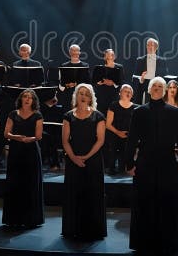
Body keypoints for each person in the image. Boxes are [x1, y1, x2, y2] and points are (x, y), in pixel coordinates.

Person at [125, 77, 178, 252]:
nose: (157, 88)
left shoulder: (174, 111)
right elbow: (131, 140)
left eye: (161, 86)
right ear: (149, 89)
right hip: (144, 162)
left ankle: (168, 240)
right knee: (145, 201)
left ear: (165, 90)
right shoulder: (139, 111)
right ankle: (144, 241)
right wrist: (129, 163)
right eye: (154, 86)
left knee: (168, 201)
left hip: (168, 161)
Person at [61, 83, 106, 240]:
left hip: (92, 160)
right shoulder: (68, 116)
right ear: (76, 96)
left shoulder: (98, 116)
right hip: (73, 160)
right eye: (81, 93)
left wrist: (85, 157)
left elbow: (100, 140)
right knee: (74, 194)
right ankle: (72, 229)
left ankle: (94, 229)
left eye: (86, 94)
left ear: (90, 97)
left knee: (92, 194)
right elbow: (65, 141)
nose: (83, 96)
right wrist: (74, 158)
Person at [3, 89, 44, 228]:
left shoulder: (37, 115)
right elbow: (6, 133)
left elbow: (39, 136)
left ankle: (31, 218)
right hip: (16, 150)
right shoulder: (13, 114)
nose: (27, 99)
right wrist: (17, 137)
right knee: (15, 182)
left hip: (31, 150)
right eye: (25, 96)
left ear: (34, 101)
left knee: (30, 183)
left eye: (30, 97)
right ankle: (14, 218)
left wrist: (29, 139)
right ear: (21, 99)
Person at [105, 84, 137, 175]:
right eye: (125, 91)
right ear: (120, 93)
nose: (128, 93)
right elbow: (108, 124)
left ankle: (123, 169)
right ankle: (111, 168)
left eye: (129, 91)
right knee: (112, 152)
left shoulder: (136, 108)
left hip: (128, 136)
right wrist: (118, 132)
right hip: (114, 133)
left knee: (124, 161)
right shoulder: (114, 105)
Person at [57, 44, 90, 116]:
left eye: (76, 51)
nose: (74, 53)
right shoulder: (64, 66)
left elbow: (88, 82)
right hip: (68, 95)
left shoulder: (85, 66)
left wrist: (78, 85)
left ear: (79, 52)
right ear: (69, 52)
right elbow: (61, 82)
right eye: (72, 51)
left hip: (81, 95)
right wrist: (67, 85)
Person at [134, 38, 168, 104]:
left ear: (156, 47)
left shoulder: (162, 61)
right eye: (148, 45)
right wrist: (141, 79)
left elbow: (165, 75)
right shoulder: (140, 60)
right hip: (143, 86)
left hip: (157, 86)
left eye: (151, 45)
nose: (149, 47)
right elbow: (134, 77)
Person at [92, 48, 123, 115]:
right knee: (101, 113)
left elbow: (121, 81)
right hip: (102, 94)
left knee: (112, 112)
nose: (110, 57)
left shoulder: (119, 67)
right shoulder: (100, 68)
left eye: (112, 55)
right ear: (105, 57)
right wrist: (100, 82)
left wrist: (113, 83)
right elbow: (94, 81)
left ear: (114, 56)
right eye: (108, 55)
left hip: (113, 94)